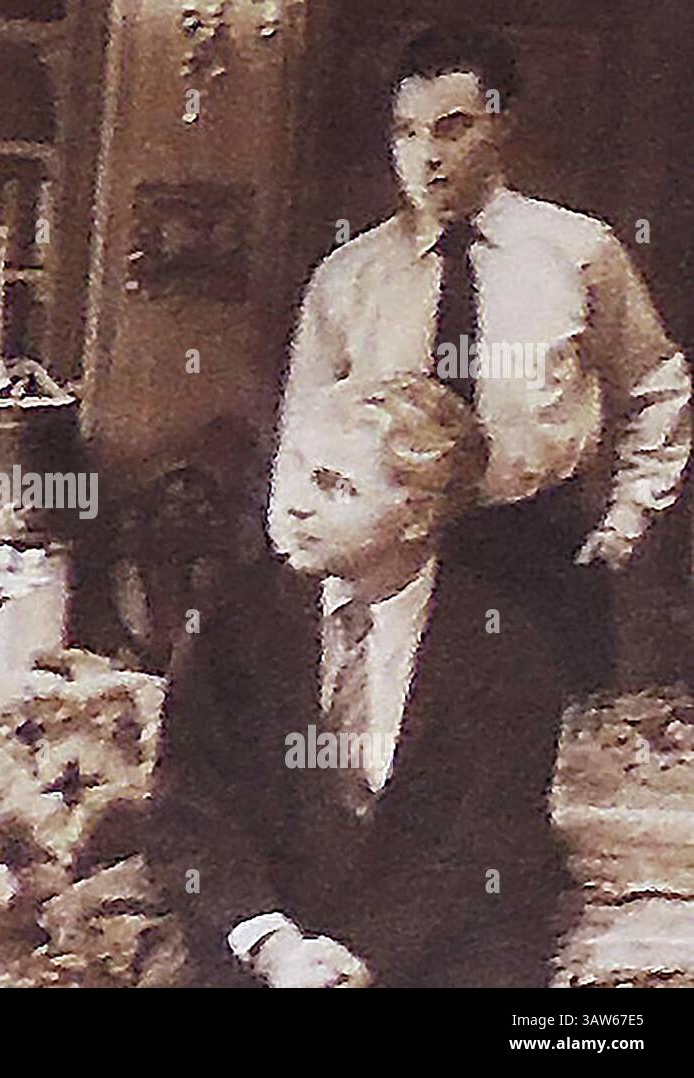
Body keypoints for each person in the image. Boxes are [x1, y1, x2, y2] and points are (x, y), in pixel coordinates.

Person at [270, 25, 690, 696]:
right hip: (390, 555)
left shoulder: (580, 253)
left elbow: (658, 385)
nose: (426, 157)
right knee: (398, 753)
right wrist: (303, 554)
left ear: (501, 125)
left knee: (546, 756)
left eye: (451, 128)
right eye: (407, 133)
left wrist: (624, 522)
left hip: (537, 548)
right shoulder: (348, 278)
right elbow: (303, 431)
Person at [150, 373, 571, 987]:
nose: (294, 501)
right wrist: (273, 944)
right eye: (292, 469)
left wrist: (366, 955)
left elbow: (488, 845)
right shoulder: (231, 622)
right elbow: (191, 810)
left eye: (333, 486)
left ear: (416, 518)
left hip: (437, 943)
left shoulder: (504, 649)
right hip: (271, 936)